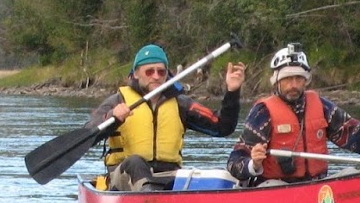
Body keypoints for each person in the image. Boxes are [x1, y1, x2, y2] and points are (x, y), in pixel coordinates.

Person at [227, 42, 360, 185]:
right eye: (288, 79)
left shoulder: (321, 107)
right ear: (276, 81)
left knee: (359, 174)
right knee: (271, 184)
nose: (293, 85)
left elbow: (357, 133)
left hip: (317, 187)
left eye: (298, 78)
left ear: (305, 81)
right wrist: (254, 164)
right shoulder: (263, 112)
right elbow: (234, 162)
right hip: (274, 187)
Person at [89, 43, 247, 191]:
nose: (156, 76)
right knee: (135, 161)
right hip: (124, 177)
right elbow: (89, 133)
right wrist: (113, 117)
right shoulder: (118, 101)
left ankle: (158, 199)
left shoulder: (180, 103)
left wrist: (232, 93)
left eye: (161, 71)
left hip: (167, 176)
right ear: (136, 74)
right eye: (149, 71)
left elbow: (223, 127)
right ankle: (150, 197)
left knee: (205, 178)